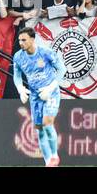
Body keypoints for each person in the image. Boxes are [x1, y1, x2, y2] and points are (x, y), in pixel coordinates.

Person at [12, 26, 66, 166]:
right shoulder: (18, 57)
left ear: (32, 39)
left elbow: (62, 69)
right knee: (39, 130)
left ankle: (54, 155)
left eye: (24, 40)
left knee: (47, 123)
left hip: (50, 93)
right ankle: (48, 162)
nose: (21, 43)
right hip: (35, 96)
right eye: (19, 40)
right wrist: (20, 89)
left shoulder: (45, 53)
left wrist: (50, 88)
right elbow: (17, 76)